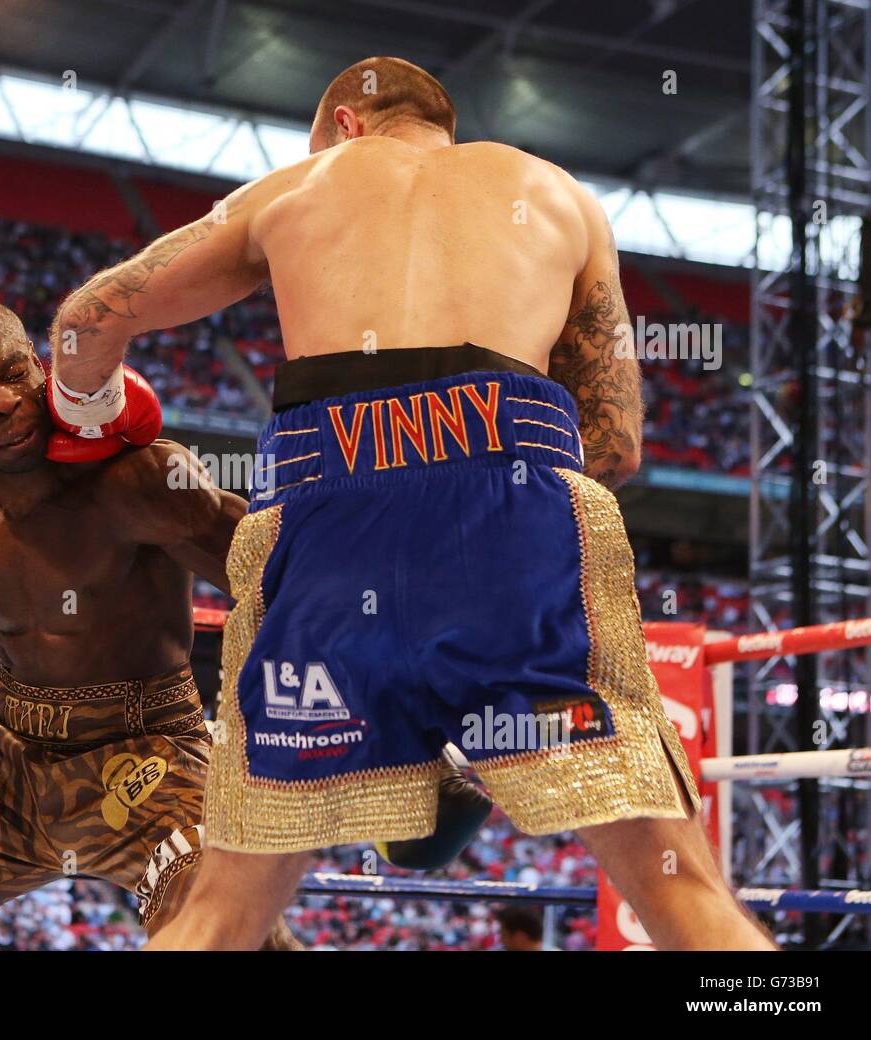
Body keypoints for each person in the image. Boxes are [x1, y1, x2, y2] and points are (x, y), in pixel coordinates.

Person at [48, 57, 773, 952]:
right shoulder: (558, 196)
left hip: (328, 520)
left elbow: (90, 316)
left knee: (221, 914)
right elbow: (615, 445)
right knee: (682, 893)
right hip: (516, 508)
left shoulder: (299, 186)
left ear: (346, 126)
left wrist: (91, 414)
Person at [0, 297, 491, 950]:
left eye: (15, 373)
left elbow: (296, 578)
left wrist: (408, 728)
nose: (4, 401)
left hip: (154, 756)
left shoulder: (135, 479)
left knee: (219, 922)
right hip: (5, 771)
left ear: (42, 368)